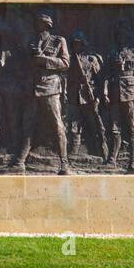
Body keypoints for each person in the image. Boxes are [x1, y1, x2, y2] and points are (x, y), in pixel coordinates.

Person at [11, 12, 71, 174]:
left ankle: (64, 164)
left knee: (57, 125)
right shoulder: (31, 41)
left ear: (47, 25)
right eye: (36, 22)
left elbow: (65, 63)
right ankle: (20, 162)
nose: (37, 25)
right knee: (27, 125)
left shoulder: (58, 41)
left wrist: (43, 59)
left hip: (50, 88)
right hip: (32, 89)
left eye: (40, 23)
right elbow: (24, 65)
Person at [102, 30, 134, 172]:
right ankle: (112, 160)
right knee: (114, 128)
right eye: (119, 35)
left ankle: (133, 162)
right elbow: (106, 75)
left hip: (131, 94)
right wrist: (105, 92)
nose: (121, 38)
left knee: (132, 128)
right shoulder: (112, 53)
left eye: (123, 35)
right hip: (114, 93)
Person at [66, 29, 107, 161]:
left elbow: (100, 79)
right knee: (74, 124)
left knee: (95, 123)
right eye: (74, 44)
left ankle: (101, 150)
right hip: (74, 95)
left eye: (79, 43)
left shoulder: (91, 59)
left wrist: (99, 97)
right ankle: (74, 151)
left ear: (83, 44)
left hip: (90, 95)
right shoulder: (70, 59)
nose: (76, 46)